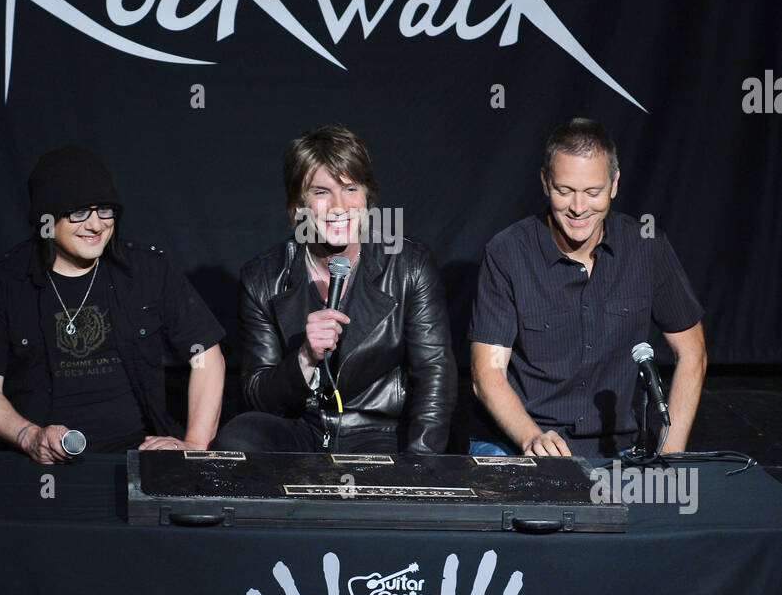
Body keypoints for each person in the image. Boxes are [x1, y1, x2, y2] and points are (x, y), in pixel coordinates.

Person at [0, 146, 225, 463]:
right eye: (79, 212)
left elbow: (205, 353)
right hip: (35, 458)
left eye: (105, 210)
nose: (96, 225)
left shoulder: (146, 270)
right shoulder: (1, 284)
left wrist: (193, 445)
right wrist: (30, 437)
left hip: (136, 453)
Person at [468, 118, 706, 457]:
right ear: (545, 182)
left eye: (592, 192)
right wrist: (531, 438)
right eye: (565, 191)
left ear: (614, 184)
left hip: (617, 448)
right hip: (516, 442)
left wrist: (671, 455)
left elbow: (692, 351)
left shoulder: (646, 247)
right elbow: (486, 372)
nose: (578, 208)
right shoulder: (506, 252)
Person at [215, 124, 456, 454]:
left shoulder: (409, 265)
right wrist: (304, 357)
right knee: (240, 436)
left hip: (380, 429)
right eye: (321, 192)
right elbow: (258, 393)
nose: (339, 206)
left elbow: (434, 373)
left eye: (350, 188)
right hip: (302, 428)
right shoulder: (263, 277)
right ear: (298, 204)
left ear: (367, 196)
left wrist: (417, 472)